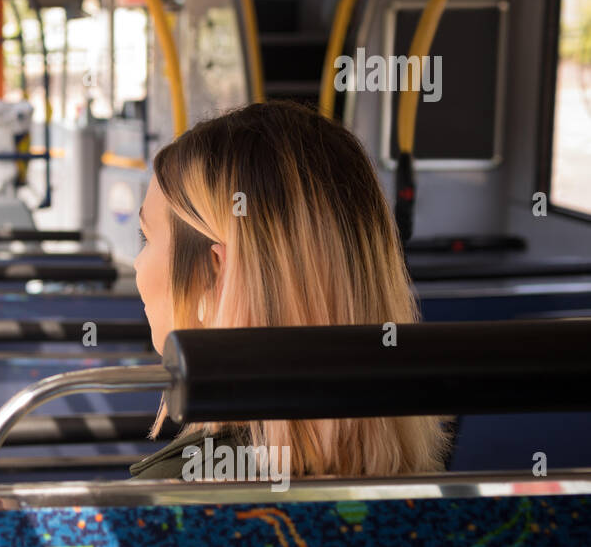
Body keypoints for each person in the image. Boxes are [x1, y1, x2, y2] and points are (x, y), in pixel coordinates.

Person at [129, 101, 450, 480]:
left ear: (214, 275)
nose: (136, 264)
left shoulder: (165, 502)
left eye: (146, 237)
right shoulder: (428, 490)